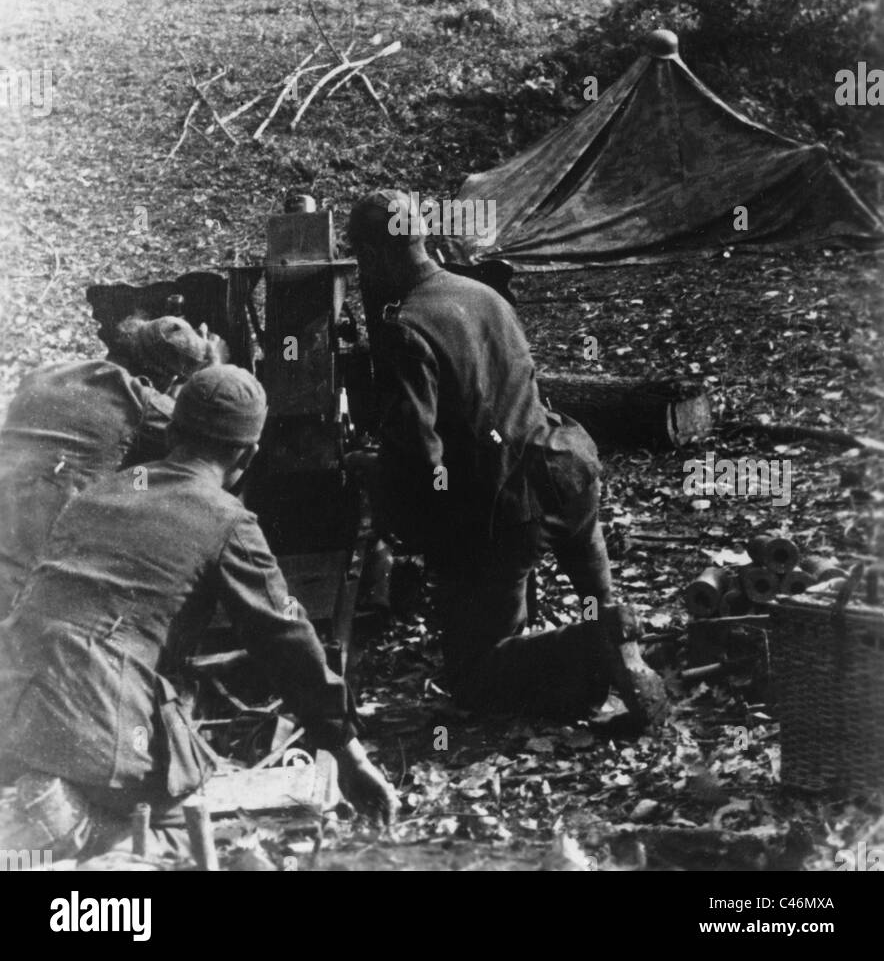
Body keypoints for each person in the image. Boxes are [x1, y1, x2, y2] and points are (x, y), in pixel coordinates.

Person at [0, 365, 397, 861]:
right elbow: (287, 642)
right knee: (185, 831)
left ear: (173, 430)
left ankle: (55, 813)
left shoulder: (104, 489)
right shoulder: (228, 520)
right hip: (95, 731)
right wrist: (348, 753)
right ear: (248, 455)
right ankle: (73, 830)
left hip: (12, 709)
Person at [347, 189, 666, 727]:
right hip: (570, 471)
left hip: (510, 509)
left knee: (475, 675)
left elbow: (422, 461)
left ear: (372, 256)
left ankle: (592, 649)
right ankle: (611, 631)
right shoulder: (485, 293)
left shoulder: (405, 326)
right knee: (596, 598)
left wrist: (374, 478)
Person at [0, 315, 220, 618]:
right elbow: (210, 428)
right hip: (38, 568)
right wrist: (215, 368)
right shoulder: (138, 398)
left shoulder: (46, 371)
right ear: (165, 379)